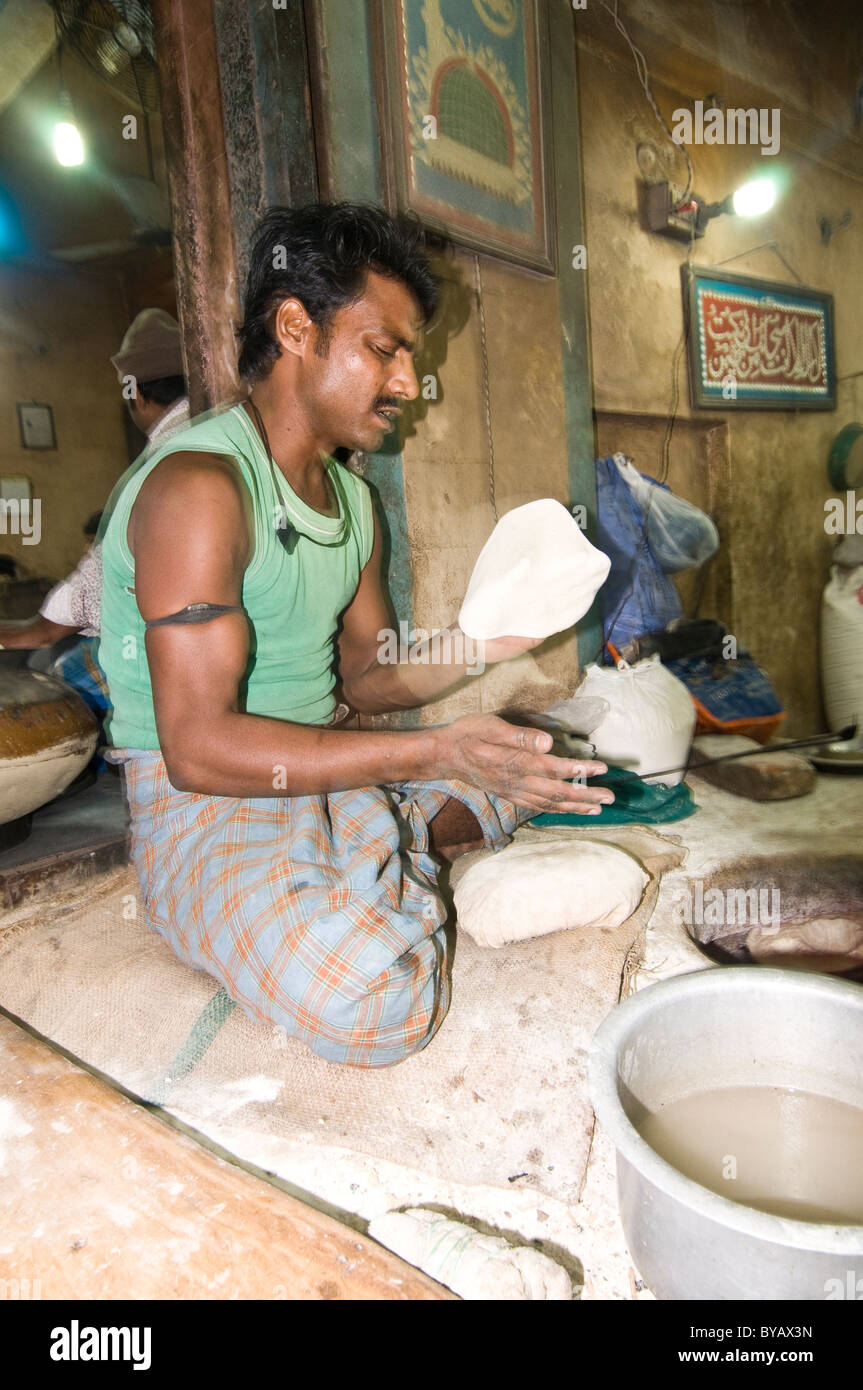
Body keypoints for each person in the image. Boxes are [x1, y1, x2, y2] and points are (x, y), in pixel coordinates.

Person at [98, 203, 613, 1068]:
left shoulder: (352, 502)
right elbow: (196, 748)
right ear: (296, 326)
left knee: (533, 759)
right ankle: (368, 849)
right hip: (207, 802)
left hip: (328, 763)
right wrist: (429, 755)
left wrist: (489, 638)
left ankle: (373, 847)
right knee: (374, 1004)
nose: (409, 383)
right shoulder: (199, 488)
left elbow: (367, 679)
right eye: (385, 348)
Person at [0, 311, 190, 732]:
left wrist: (35, 629)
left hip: (173, 668)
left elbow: (68, 612)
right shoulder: (228, 436)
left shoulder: (154, 469)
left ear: (137, 396)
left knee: (58, 688)